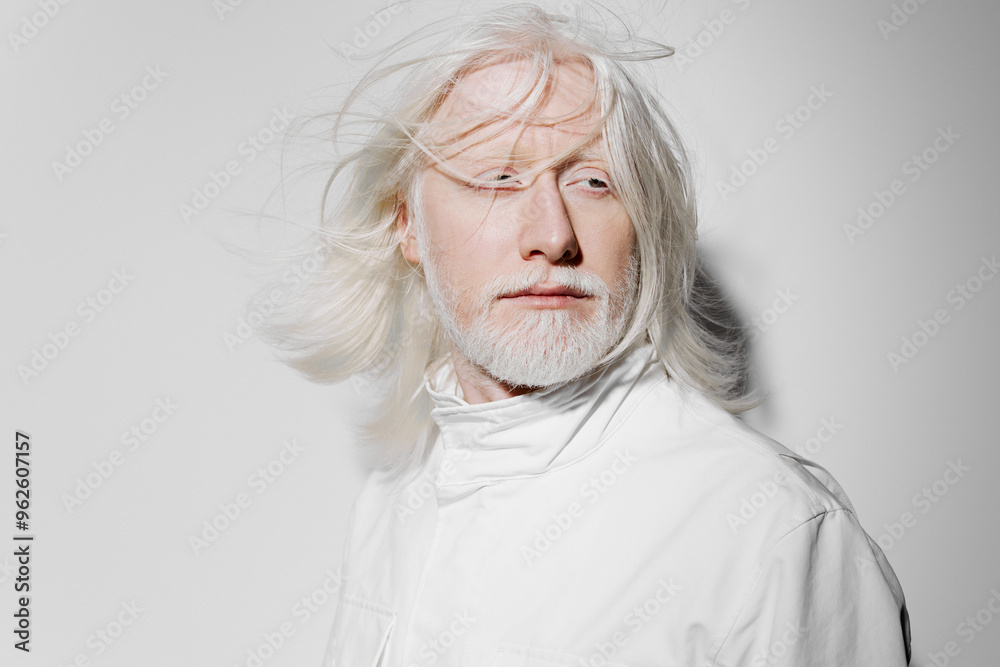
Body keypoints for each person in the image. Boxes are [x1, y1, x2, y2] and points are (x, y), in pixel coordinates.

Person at [261, 3, 911, 665]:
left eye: (593, 181)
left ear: (642, 225)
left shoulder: (770, 530)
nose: (552, 235)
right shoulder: (393, 498)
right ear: (408, 226)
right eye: (497, 177)